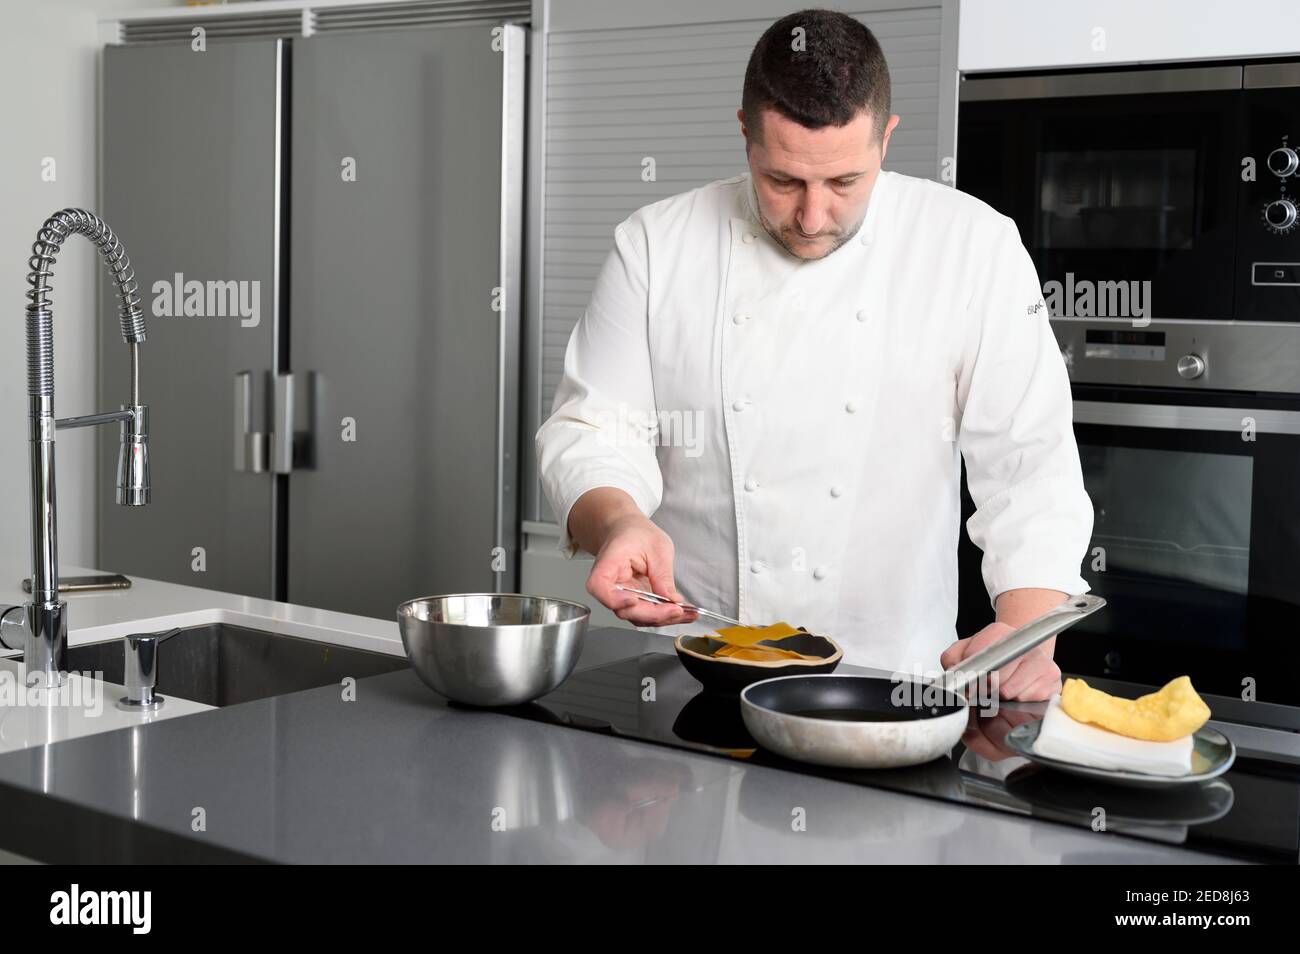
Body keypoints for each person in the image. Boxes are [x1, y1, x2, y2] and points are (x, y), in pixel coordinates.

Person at [535, 8, 1093, 701]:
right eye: (783, 181)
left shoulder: (972, 248)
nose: (811, 217)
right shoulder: (655, 247)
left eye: (844, 183)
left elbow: (1029, 465)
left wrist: (1027, 626)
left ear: (886, 138)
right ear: (745, 134)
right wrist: (618, 522)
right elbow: (594, 430)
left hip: (891, 689)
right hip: (688, 680)